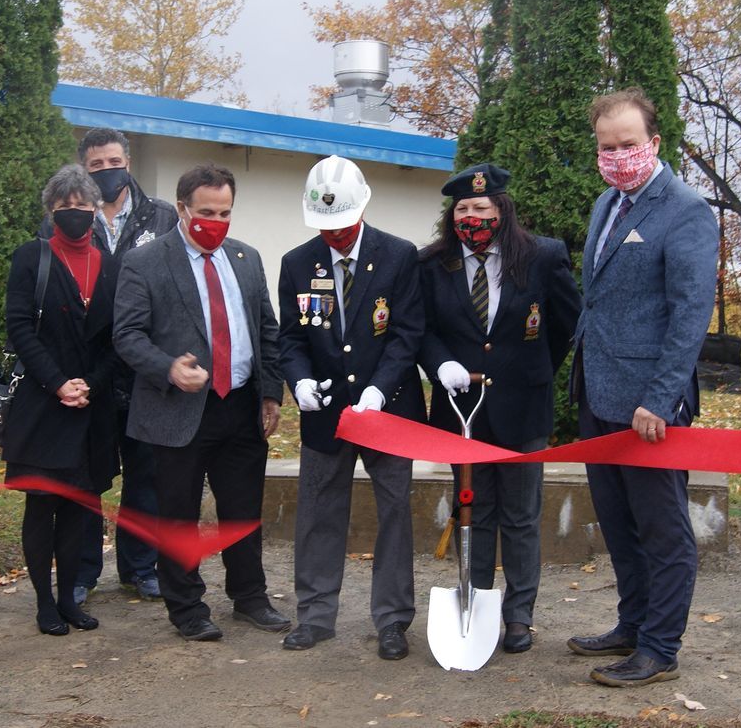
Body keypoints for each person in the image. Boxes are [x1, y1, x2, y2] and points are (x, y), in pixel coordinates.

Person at [568, 88, 718, 686]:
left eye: (628, 144)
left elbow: (689, 315)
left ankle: (660, 648)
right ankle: (632, 624)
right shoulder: (608, 203)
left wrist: (660, 397)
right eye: (607, 147)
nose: (617, 155)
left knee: (662, 529)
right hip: (598, 394)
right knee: (618, 522)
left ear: (653, 143)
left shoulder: (685, 209)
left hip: (649, 407)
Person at [113, 163, 289, 642]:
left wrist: (271, 392)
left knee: (242, 511)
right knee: (177, 514)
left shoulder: (246, 258)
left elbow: (267, 331)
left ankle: (250, 598)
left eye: (226, 212)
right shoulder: (145, 262)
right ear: (182, 208)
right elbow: (126, 335)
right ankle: (187, 608)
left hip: (240, 408)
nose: (216, 221)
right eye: (206, 212)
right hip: (178, 410)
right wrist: (168, 367)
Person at [419, 163, 581, 655]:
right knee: (475, 511)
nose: (472, 216)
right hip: (461, 410)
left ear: (502, 210)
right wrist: (439, 363)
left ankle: (519, 617)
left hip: (522, 408)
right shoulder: (432, 264)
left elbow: (565, 324)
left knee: (521, 515)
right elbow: (420, 329)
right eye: (463, 209)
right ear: (453, 217)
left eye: (482, 208)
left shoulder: (542, 257)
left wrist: (533, 374)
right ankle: (479, 608)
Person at [277, 155, 425, 660]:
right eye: (325, 227)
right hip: (326, 412)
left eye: (342, 225)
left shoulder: (399, 256)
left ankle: (392, 619)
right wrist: (297, 383)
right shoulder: (297, 263)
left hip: (389, 408)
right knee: (319, 511)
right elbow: (290, 339)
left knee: (395, 512)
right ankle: (315, 614)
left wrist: (379, 390)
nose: (335, 235)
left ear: (361, 210)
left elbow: (407, 334)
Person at [40, 127, 177, 605]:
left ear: (128, 161)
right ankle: (82, 572)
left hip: (145, 371)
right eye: (96, 165)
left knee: (146, 474)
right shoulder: (65, 219)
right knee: (88, 476)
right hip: (89, 370)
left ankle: (140, 568)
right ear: (84, 166)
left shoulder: (161, 216)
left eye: (113, 161)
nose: (106, 170)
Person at [4, 165, 120, 636]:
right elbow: (19, 328)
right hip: (43, 405)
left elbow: (118, 336)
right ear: (51, 211)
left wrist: (90, 383)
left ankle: (71, 597)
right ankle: (43, 603)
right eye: (64, 207)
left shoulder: (109, 264)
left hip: (93, 407)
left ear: (95, 210)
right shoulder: (31, 257)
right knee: (42, 508)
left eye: (83, 206)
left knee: (80, 509)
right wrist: (58, 383)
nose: (74, 214)